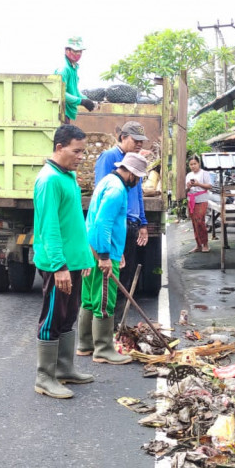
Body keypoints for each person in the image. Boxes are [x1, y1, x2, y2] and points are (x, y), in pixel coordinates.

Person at [33, 123, 97, 398]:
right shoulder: (49, 180)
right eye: (77, 151)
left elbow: (73, 222)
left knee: (69, 316)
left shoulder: (67, 175)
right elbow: (50, 228)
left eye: (83, 151)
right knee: (52, 317)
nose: (81, 157)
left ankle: (64, 368)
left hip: (73, 262)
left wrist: (84, 255)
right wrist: (59, 266)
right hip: (57, 264)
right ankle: (44, 377)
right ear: (59, 148)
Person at [80, 152, 149, 364]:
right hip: (100, 251)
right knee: (104, 300)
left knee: (90, 297)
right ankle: (103, 349)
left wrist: (115, 254)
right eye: (137, 178)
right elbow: (102, 223)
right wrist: (105, 256)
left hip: (91, 248)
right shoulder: (117, 190)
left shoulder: (107, 181)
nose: (136, 182)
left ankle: (85, 344)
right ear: (130, 173)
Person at [91, 120, 149, 327]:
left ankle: (116, 326)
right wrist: (112, 243)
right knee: (110, 279)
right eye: (136, 139)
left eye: (142, 140)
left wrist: (143, 222)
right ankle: (108, 332)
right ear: (123, 137)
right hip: (117, 226)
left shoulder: (135, 162)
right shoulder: (110, 159)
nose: (140, 144)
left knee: (124, 276)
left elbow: (139, 195)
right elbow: (103, 203)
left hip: (130, 225)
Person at [55, 36, 97, 121]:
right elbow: (60, 93)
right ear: (67, 50)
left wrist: (86, 100)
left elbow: (74, 91)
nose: (78, 54)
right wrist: (81, 101)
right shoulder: (64, 69)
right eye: (75, 51)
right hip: (61, 112)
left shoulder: (73, 68)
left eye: (80, 51)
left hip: (67, 112)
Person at [185, 155, 212, 253]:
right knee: (194, 222)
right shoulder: (188, 175)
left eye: (194, 164)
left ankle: (205, 244)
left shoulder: (204, 173)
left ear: (199, 163)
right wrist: (188, 186)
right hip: (191, 199)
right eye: (191, 164)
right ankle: (198, 245)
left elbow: (209, 186)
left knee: (200, 221)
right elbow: (186, 190)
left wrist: (198, 184)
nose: (193, 166)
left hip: (202, 199)